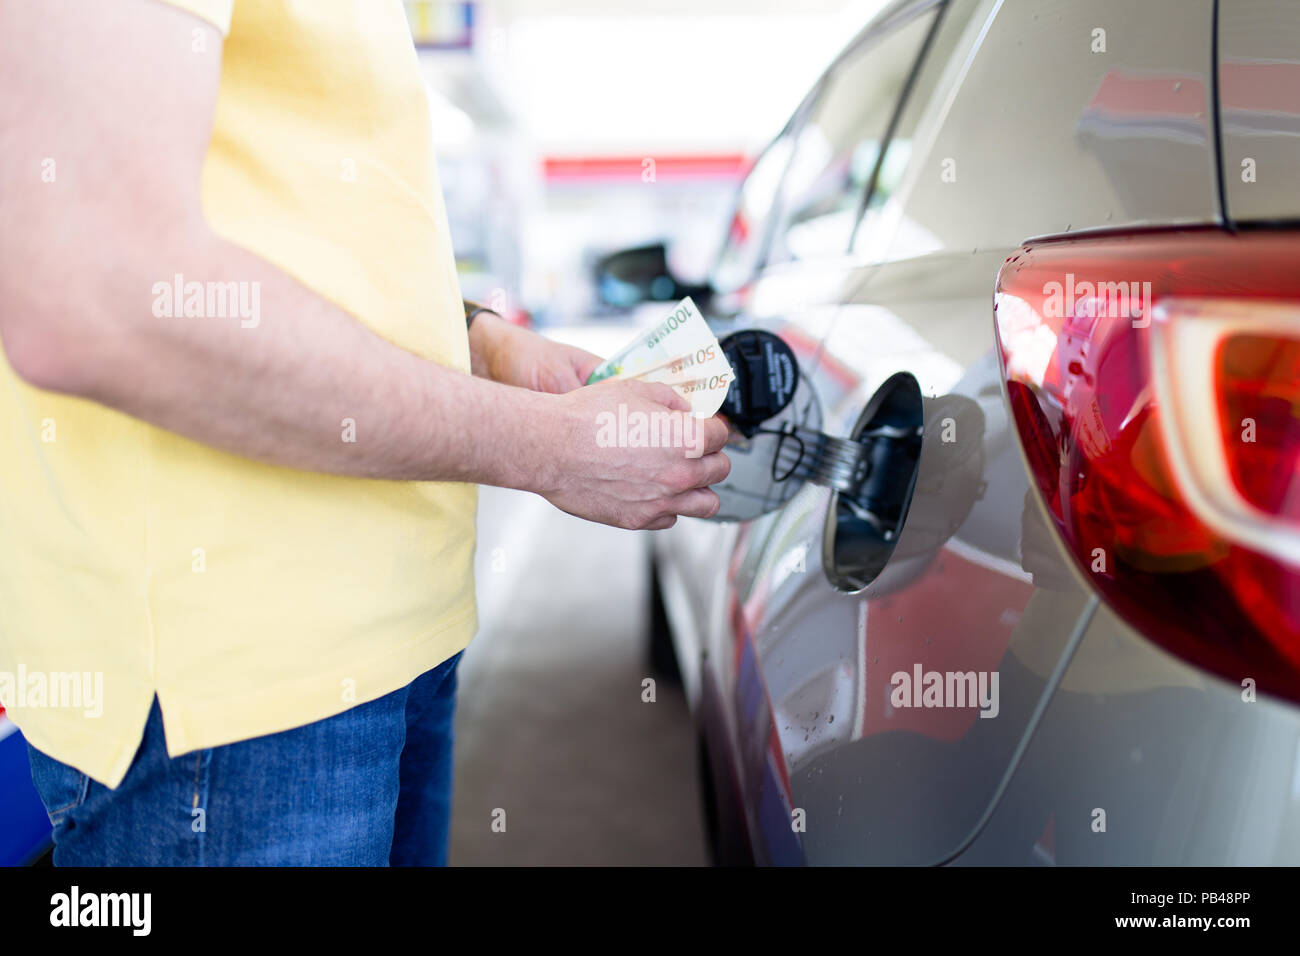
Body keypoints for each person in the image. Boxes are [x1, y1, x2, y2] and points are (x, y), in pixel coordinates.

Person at [0, 0, 729, 866]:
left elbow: (296, 235)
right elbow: (97, 293)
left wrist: (475, 339)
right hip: (238, 694)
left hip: (392, 642)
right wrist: (544, 445)